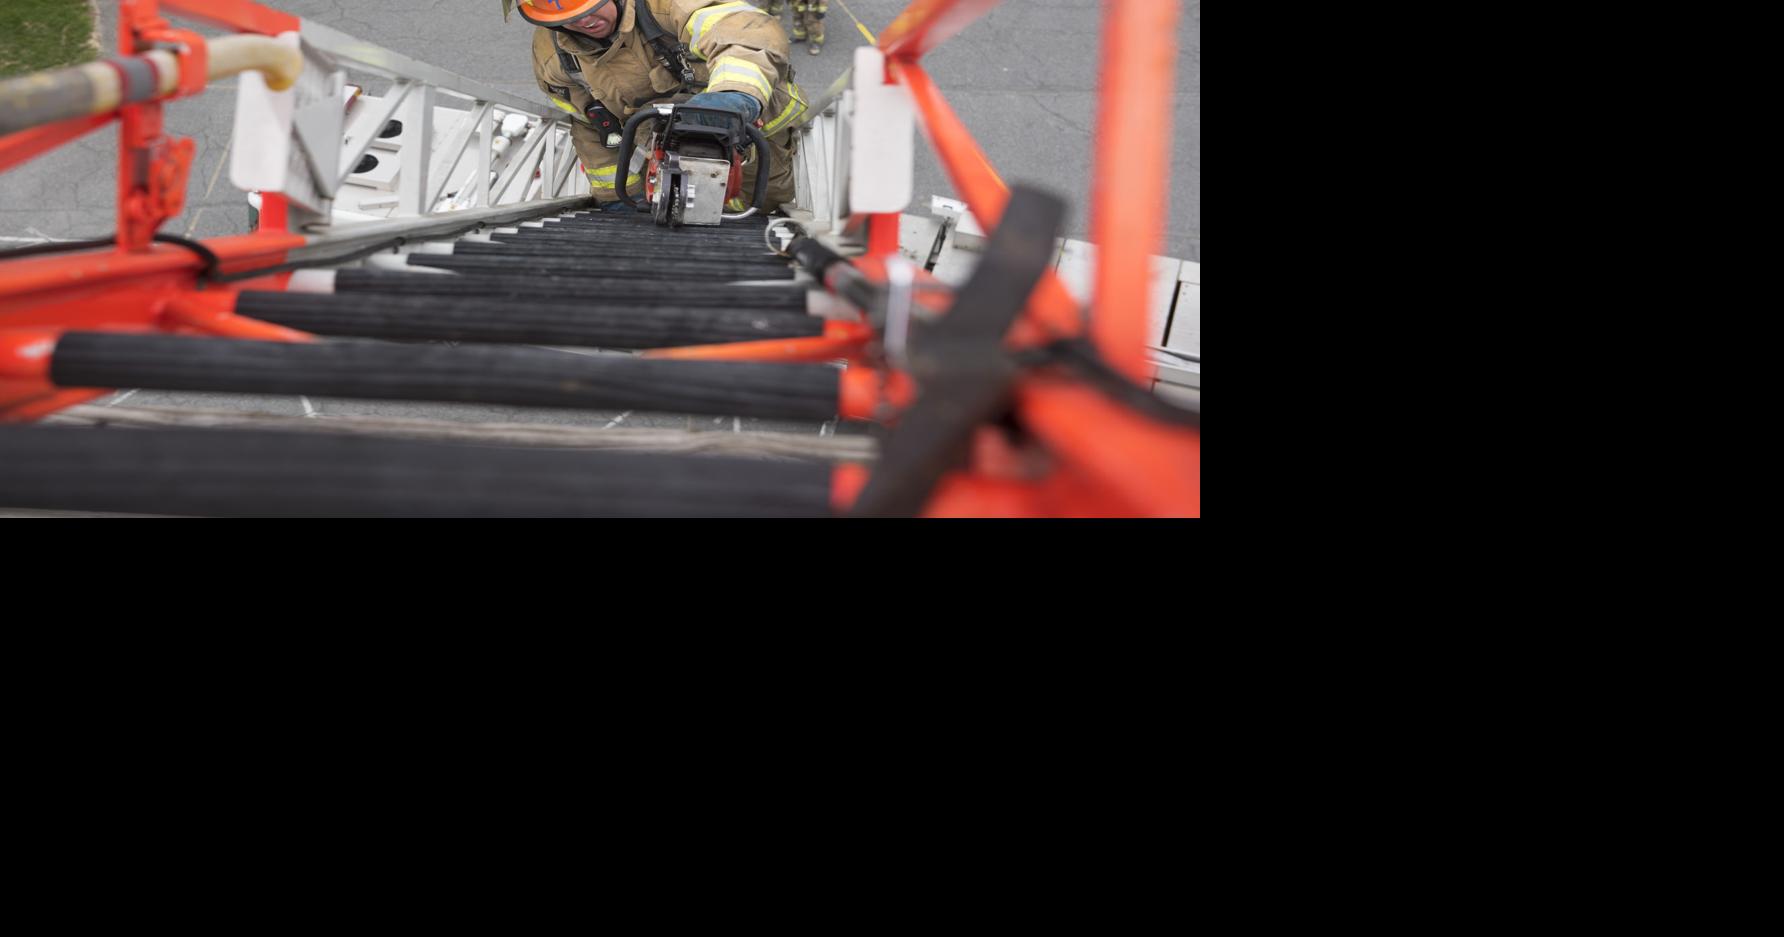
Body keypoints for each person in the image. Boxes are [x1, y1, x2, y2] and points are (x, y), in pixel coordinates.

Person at [516, 0, 809, 212]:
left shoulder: (667, 5)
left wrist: (733, 95)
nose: (583, 21)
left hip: (751, 131)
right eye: (567, 17)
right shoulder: (554, 57)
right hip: (664, 147)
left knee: (763, 203)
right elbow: (591, 125)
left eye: (591, 8)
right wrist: (617, 199)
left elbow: (745, 32)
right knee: (682, 210)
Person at [759, 1, 827, 55]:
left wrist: (822, 10)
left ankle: (816, 42)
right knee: (798, 21)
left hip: (812, 7)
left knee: (813, 25)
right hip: (797, 5)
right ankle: (801, 36)